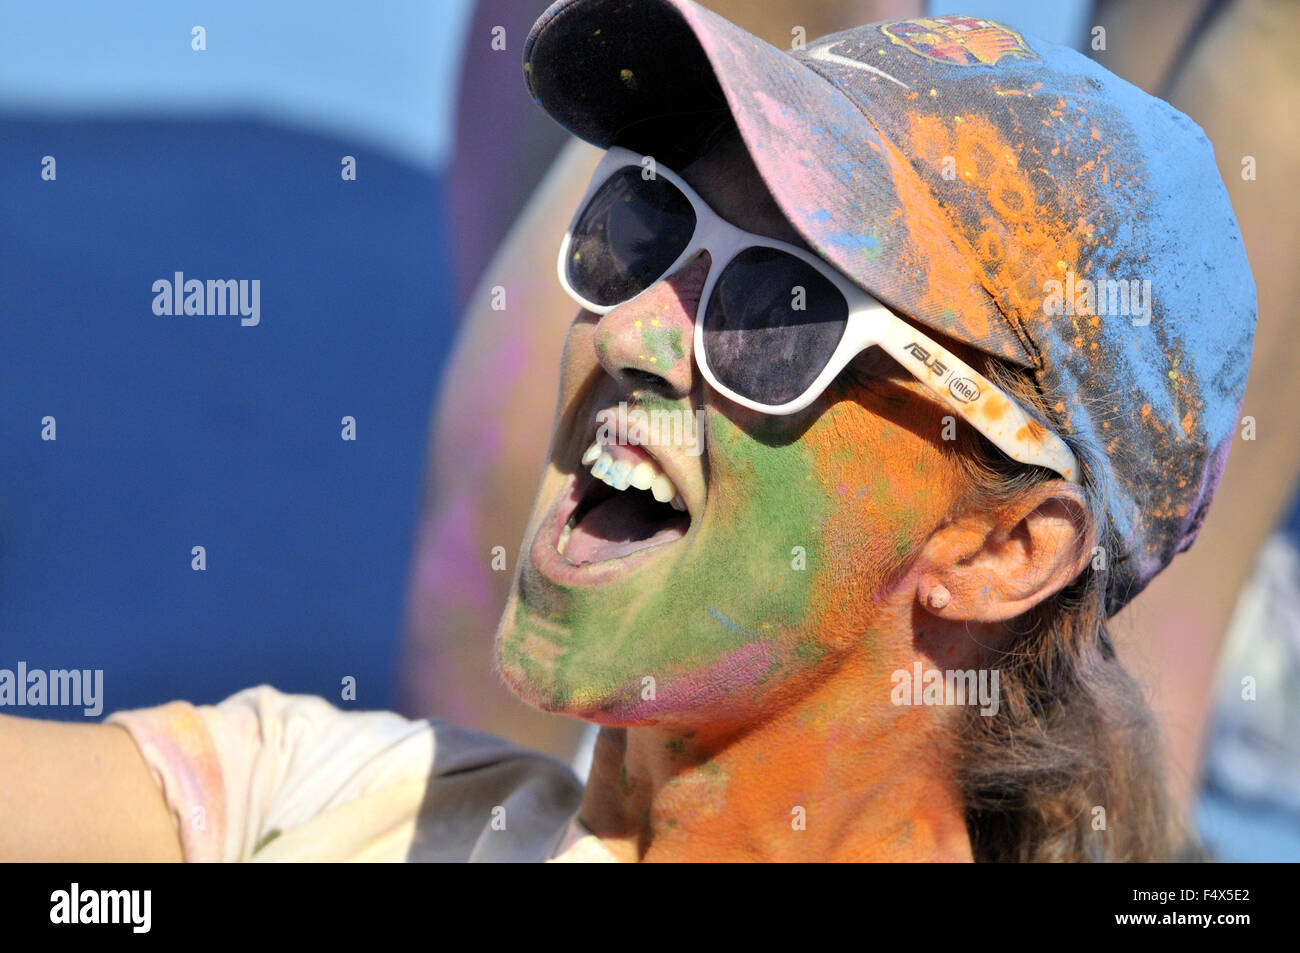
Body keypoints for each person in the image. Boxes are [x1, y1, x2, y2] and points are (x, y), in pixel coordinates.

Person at [1, 2, 1255, 862]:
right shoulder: (343, 801)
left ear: (1006, 549)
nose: (627, 328)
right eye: (640, 227)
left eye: (780, 309)